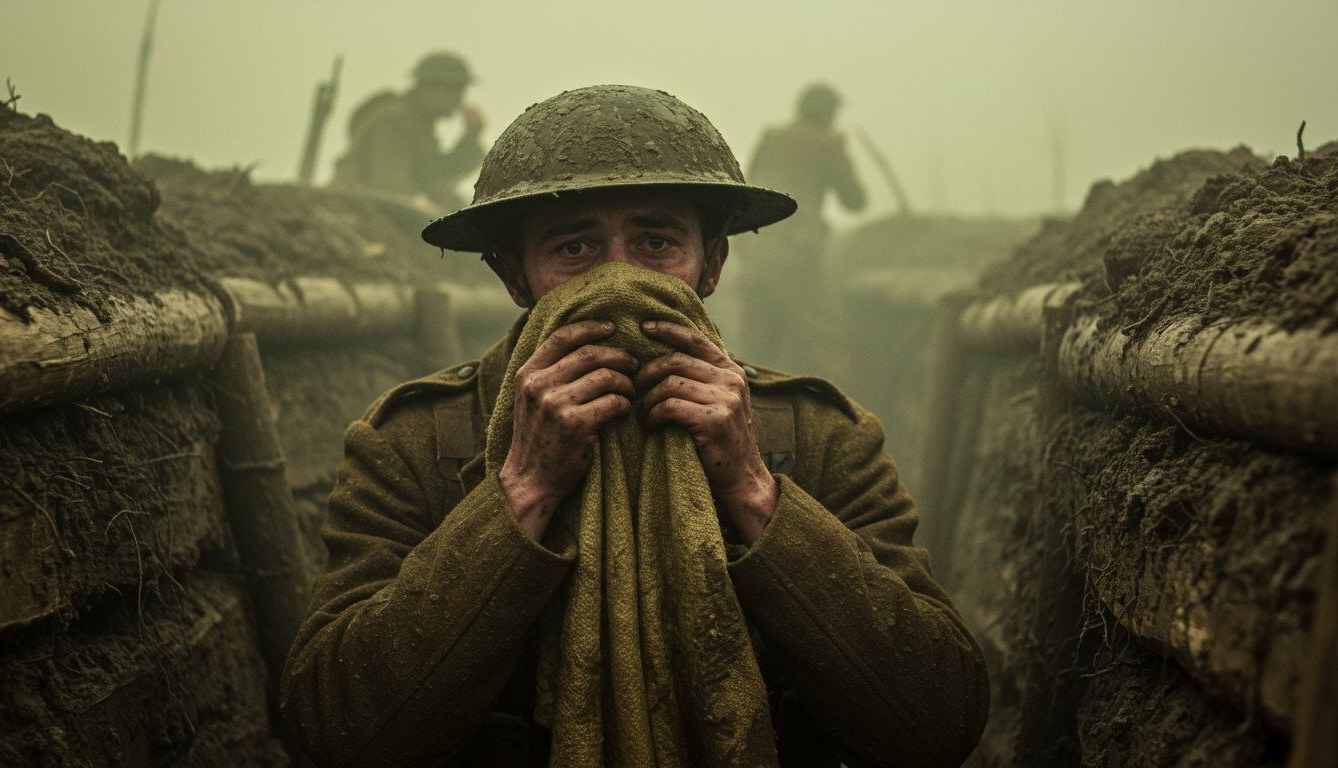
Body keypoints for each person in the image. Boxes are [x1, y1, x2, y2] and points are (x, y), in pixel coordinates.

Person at [282, 85, 987, 768]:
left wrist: (753, 491)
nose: (619, 281)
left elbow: (936, 724)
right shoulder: (411, 446)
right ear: (514, 277)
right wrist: (520, 492)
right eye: (574, 250)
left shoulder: (821, 438)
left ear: (711, 263)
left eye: (656, 242)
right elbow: (339, 731)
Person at [735, 83, 866, 379]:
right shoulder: (823, 145)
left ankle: (750, 415)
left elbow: (748, 186)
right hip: (794, 258)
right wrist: (841, 151)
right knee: (826, 344)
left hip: (754, 254)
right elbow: (855, 201)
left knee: (756, 351)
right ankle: (834, 419)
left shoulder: (771, 140)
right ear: (829, 114)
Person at [330, 51, 485, 214]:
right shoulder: (395, 120)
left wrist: (471, 136)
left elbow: (437, 176)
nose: (460, 99)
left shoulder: (419, 124)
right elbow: (392, 189)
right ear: (434, 88)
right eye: (457, 90)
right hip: (354, 211)